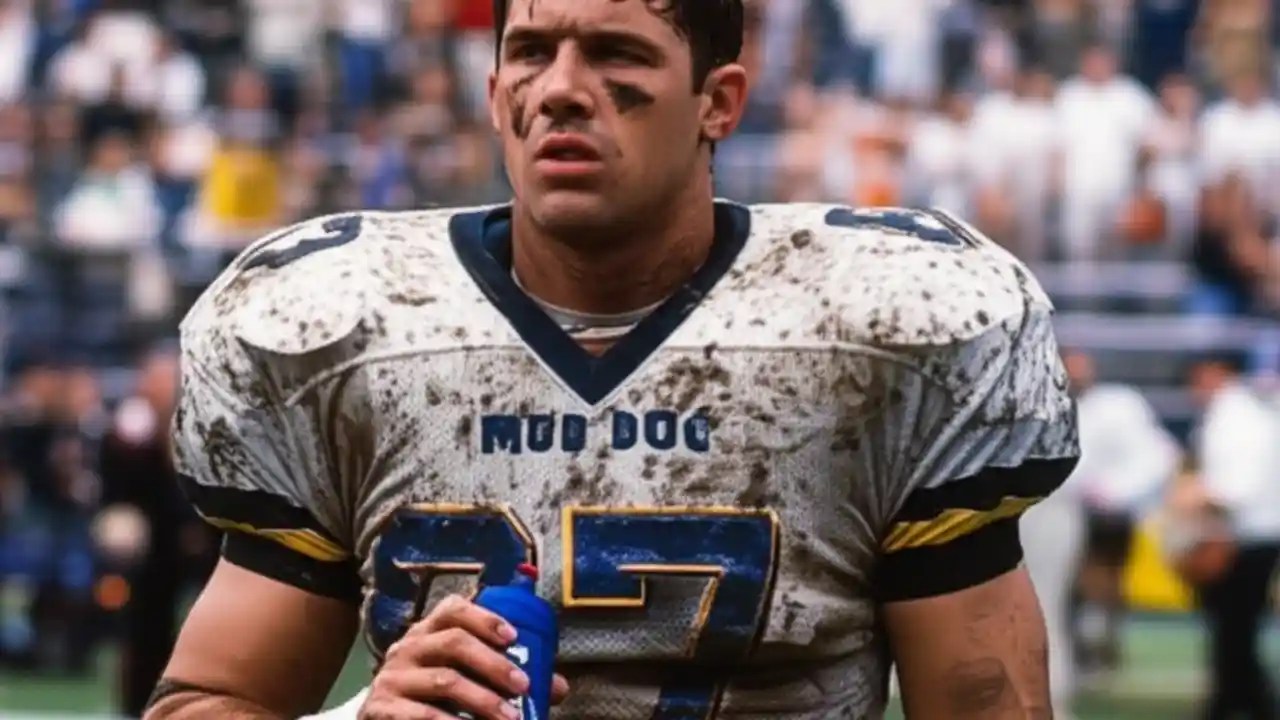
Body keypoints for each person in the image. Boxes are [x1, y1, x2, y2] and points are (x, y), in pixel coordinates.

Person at [146, 1, 1080, 718]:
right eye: (530, 51)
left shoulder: (884, 325)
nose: (559, 87)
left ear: (718, 102)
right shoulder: (343, 324)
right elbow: (204, 697)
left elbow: (987, 703)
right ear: (494, 94)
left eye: (616, 53)